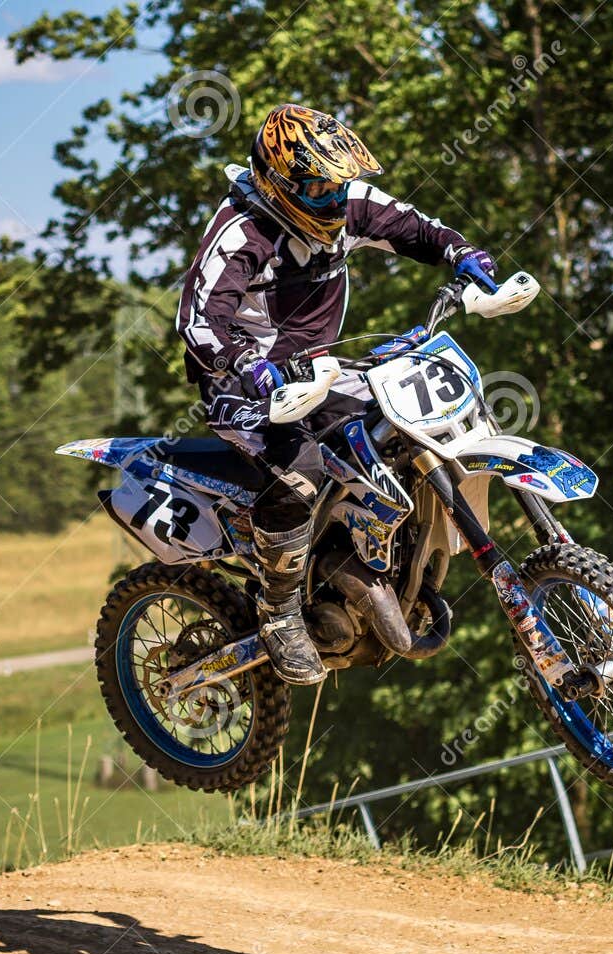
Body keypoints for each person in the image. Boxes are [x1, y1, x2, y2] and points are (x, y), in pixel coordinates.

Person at [177, 103, 498, 686]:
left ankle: (368, 556)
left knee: (401, 422)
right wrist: (250, 367)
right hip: (238, 378)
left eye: (338, 183)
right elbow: (200, 323)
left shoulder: (348, 205)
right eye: (318, 186)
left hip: (320, 369)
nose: (333, 198)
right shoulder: (241, 233)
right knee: (296, 464)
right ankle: (279, 611)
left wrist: (462, 254)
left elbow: (414, 228)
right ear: (279, 182)